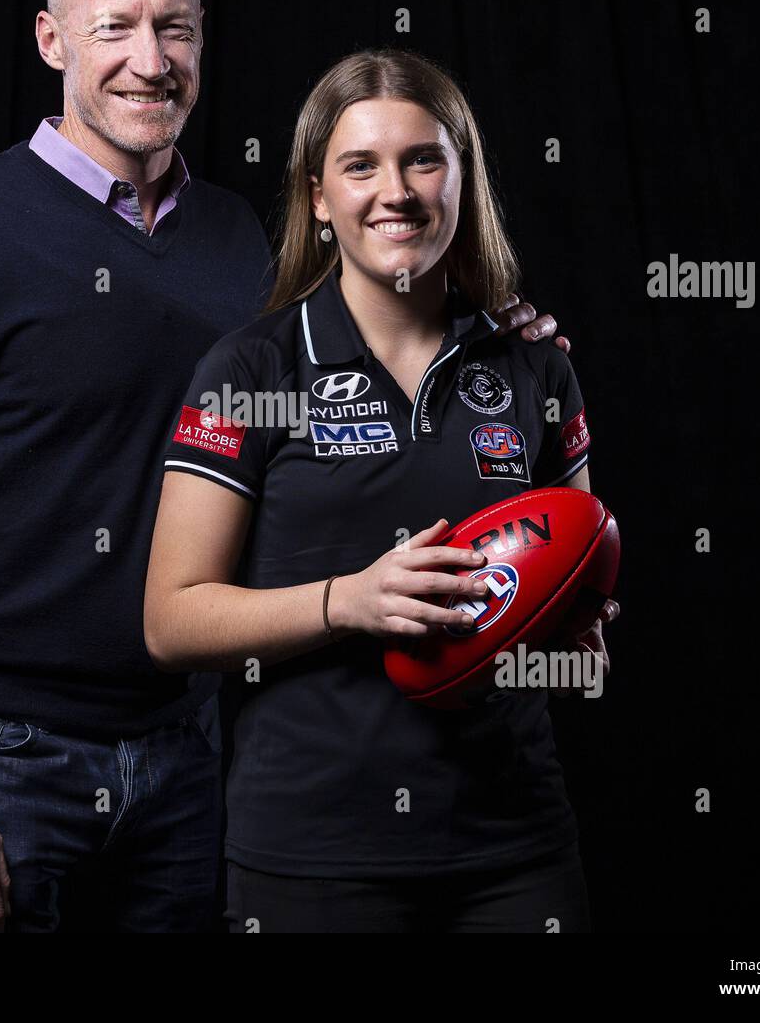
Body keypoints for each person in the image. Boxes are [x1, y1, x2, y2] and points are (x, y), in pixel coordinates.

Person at [0, 0, 564, 934]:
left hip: (192, 758)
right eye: (115, 28)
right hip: (4, 760)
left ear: (203, 37)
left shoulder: (244, 245)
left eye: (173, 28)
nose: (149, 61)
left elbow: (374, 380)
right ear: (52, 41)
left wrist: (502, 332)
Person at [144, 47, 617, 933]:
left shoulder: (536, 369)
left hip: (514, 847)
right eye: (360, 165)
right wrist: (346, 602)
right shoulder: (251, 368)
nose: (394, 191)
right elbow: (171, 622)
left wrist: (572, 638)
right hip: (312, 854)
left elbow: (573, 595)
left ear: (462, 180)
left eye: (423, 159)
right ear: (319, 198)